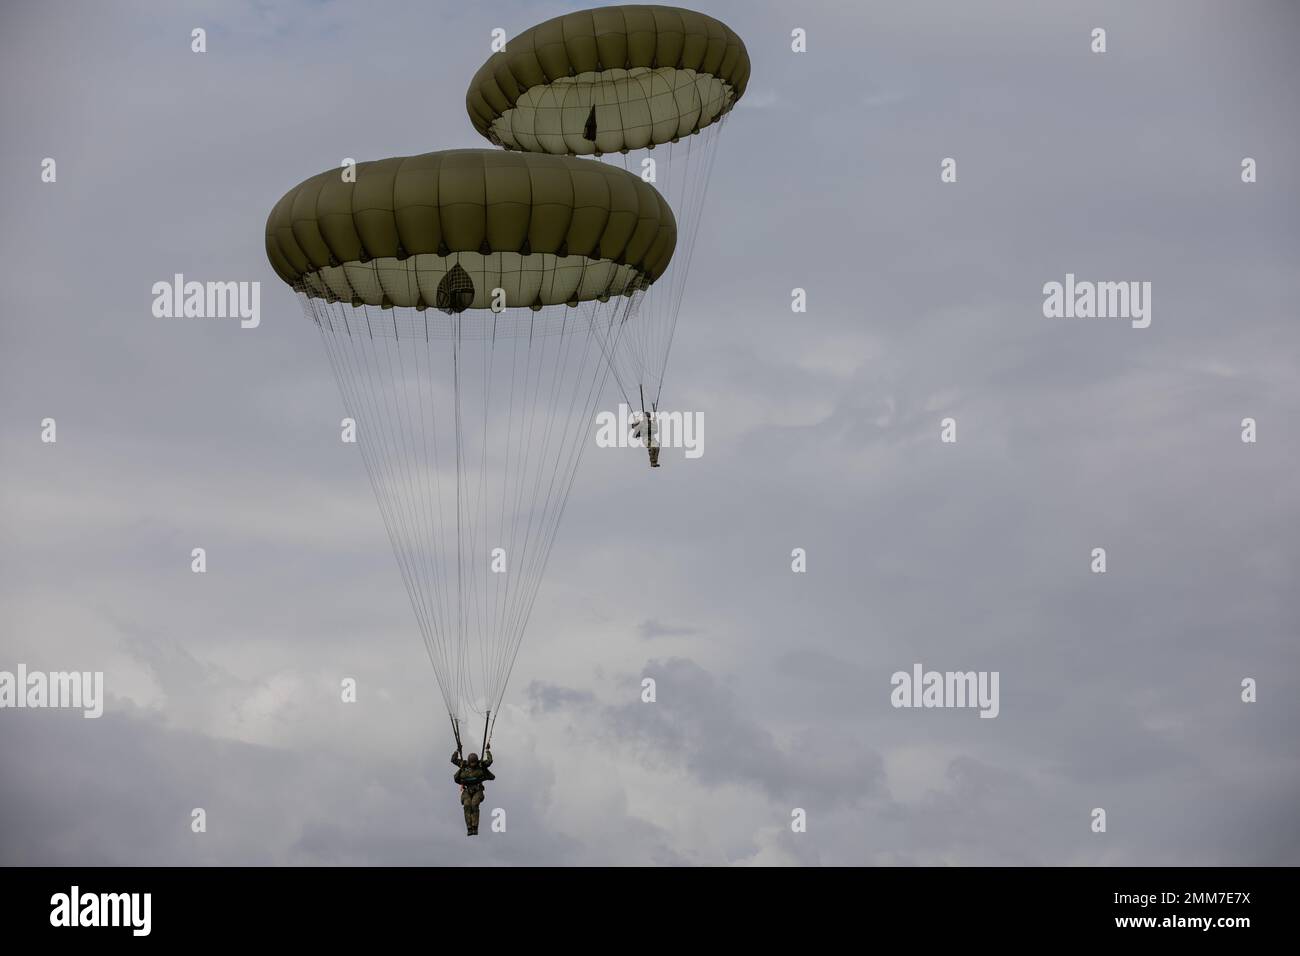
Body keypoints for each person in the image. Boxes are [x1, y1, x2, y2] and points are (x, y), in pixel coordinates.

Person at [451, 748, 495, 836]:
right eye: (471, 763)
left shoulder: (480, 765)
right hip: (467, 790)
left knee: (474, 804)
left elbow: (489, 761)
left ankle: (475, 827)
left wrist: (487, 750)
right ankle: (469, 828)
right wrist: (457, 751)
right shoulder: (464, 765)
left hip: (478, 790)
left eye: (474, 763)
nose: (473, 765)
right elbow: (453, 760)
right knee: (467, 805)